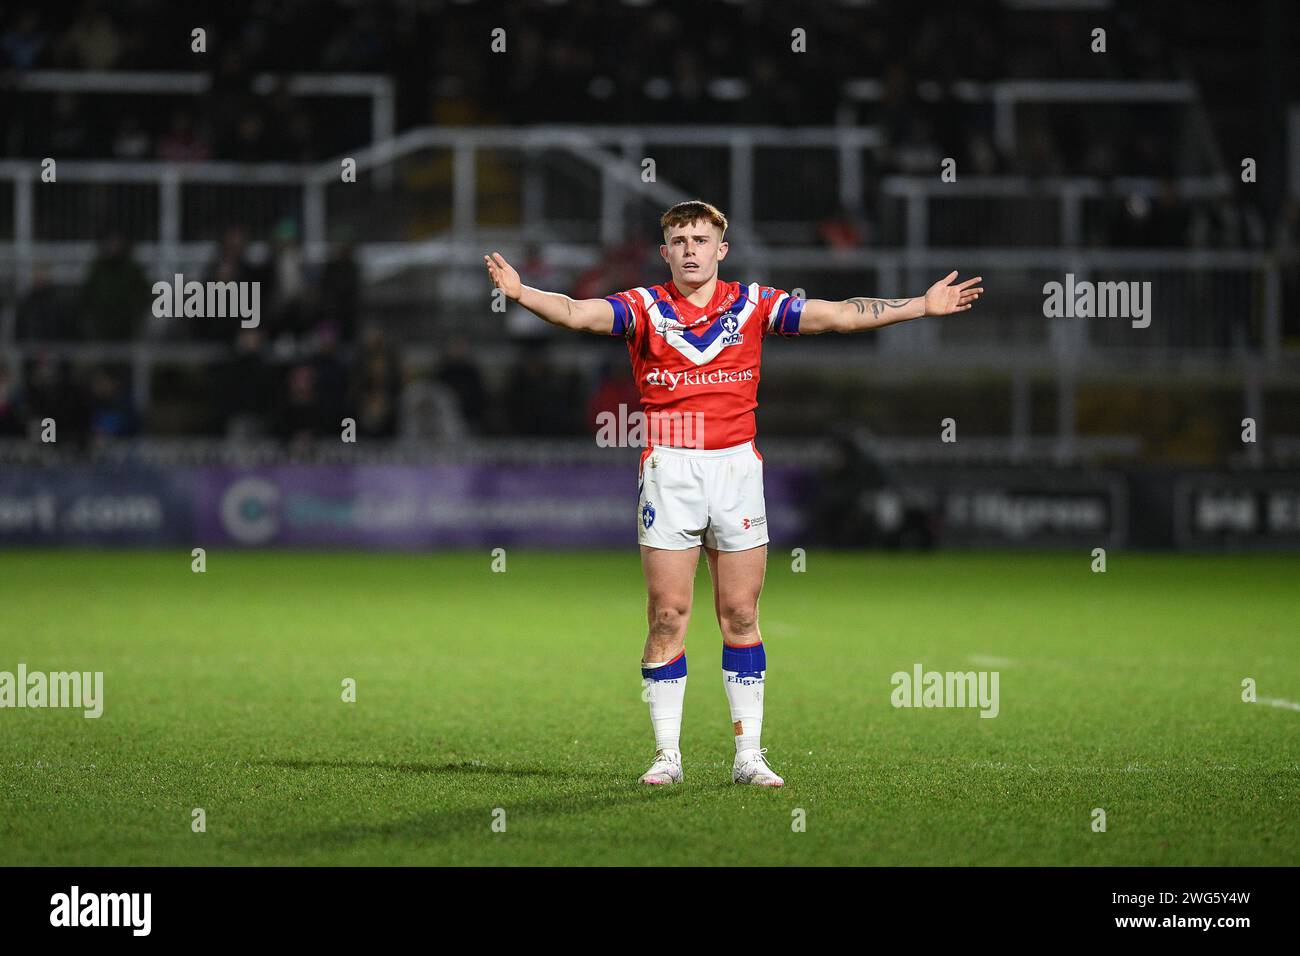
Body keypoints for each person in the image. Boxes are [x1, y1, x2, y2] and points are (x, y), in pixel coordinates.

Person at [484, 200, 983, 788]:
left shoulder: (753, 305)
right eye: (679, 239)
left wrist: (919, 307)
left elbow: (839, 315)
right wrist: (523, 294)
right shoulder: (643, 307)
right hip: (670, 470)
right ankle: (667, 754)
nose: (691, 248)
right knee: (667, 615)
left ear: (721, 249)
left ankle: (749, 756)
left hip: (735, 469)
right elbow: (576, 312)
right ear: (664, 250)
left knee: (740, 613)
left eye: (701, 238)